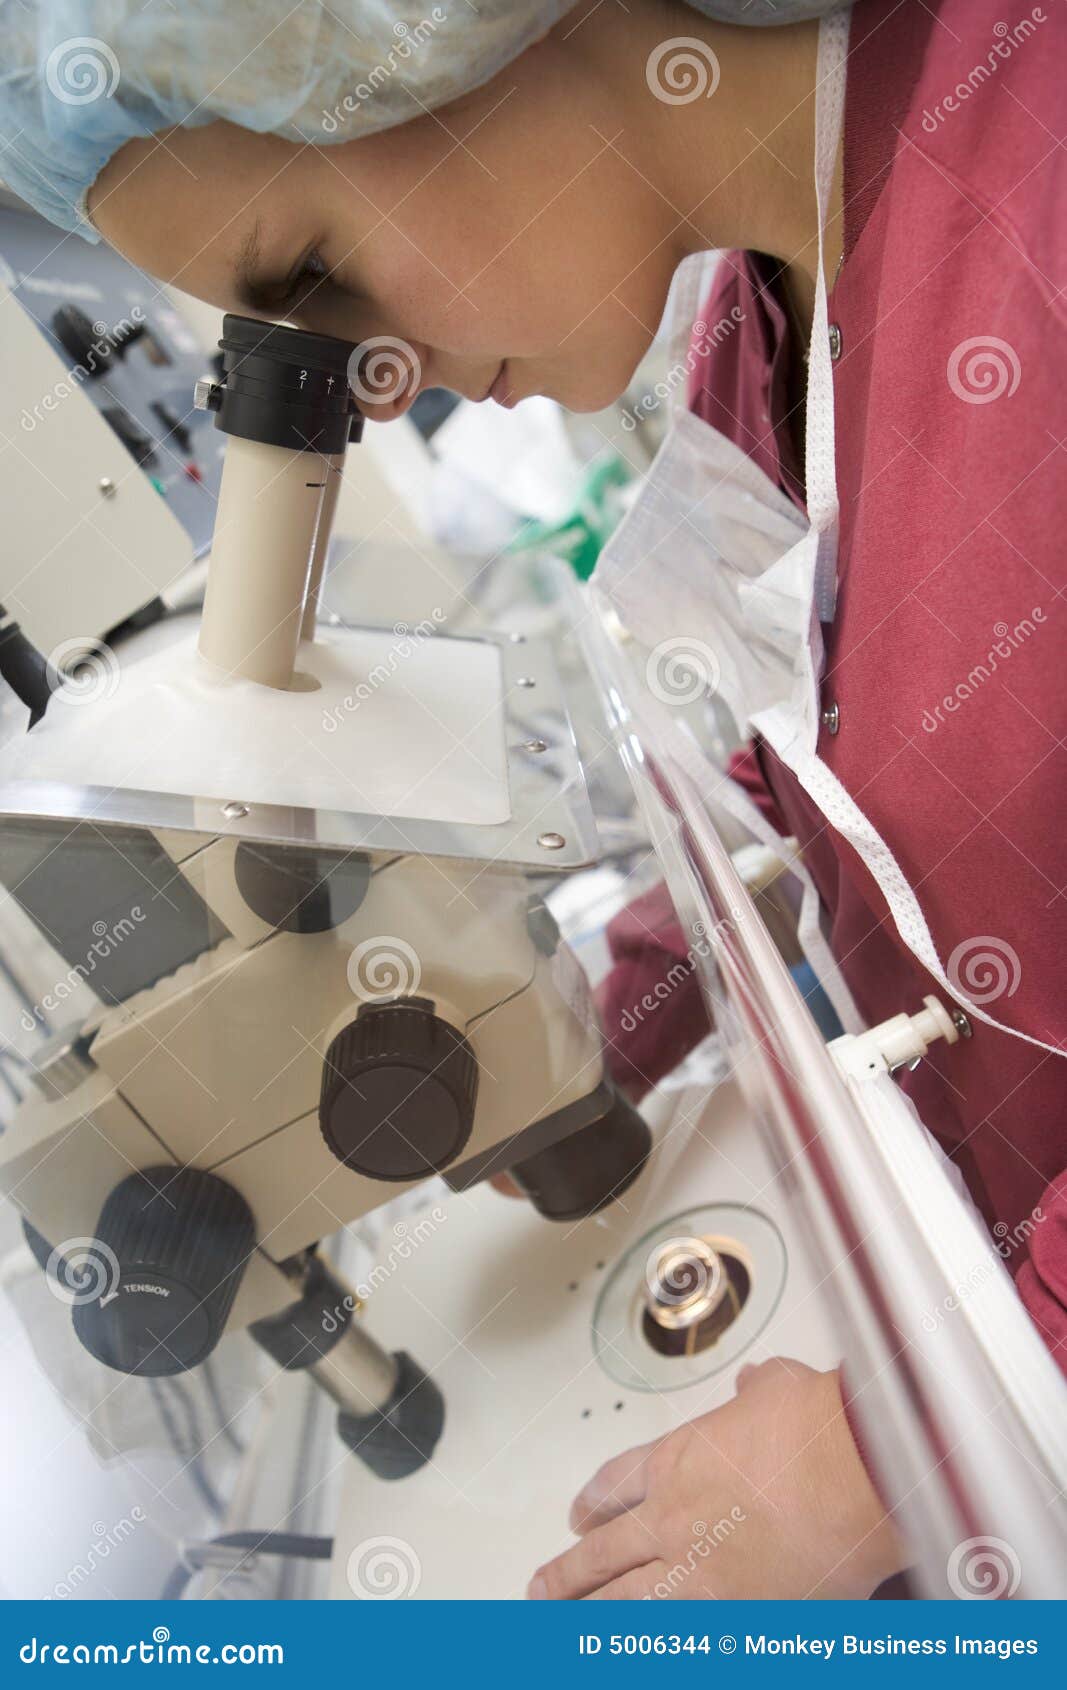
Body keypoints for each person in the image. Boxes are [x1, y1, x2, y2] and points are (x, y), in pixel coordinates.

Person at [2, 0, 1063, 1600]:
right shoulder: (755, 341)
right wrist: (581, 1028)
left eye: (312, 273)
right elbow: (778, 784)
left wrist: (932, 1427)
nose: (354, 387)